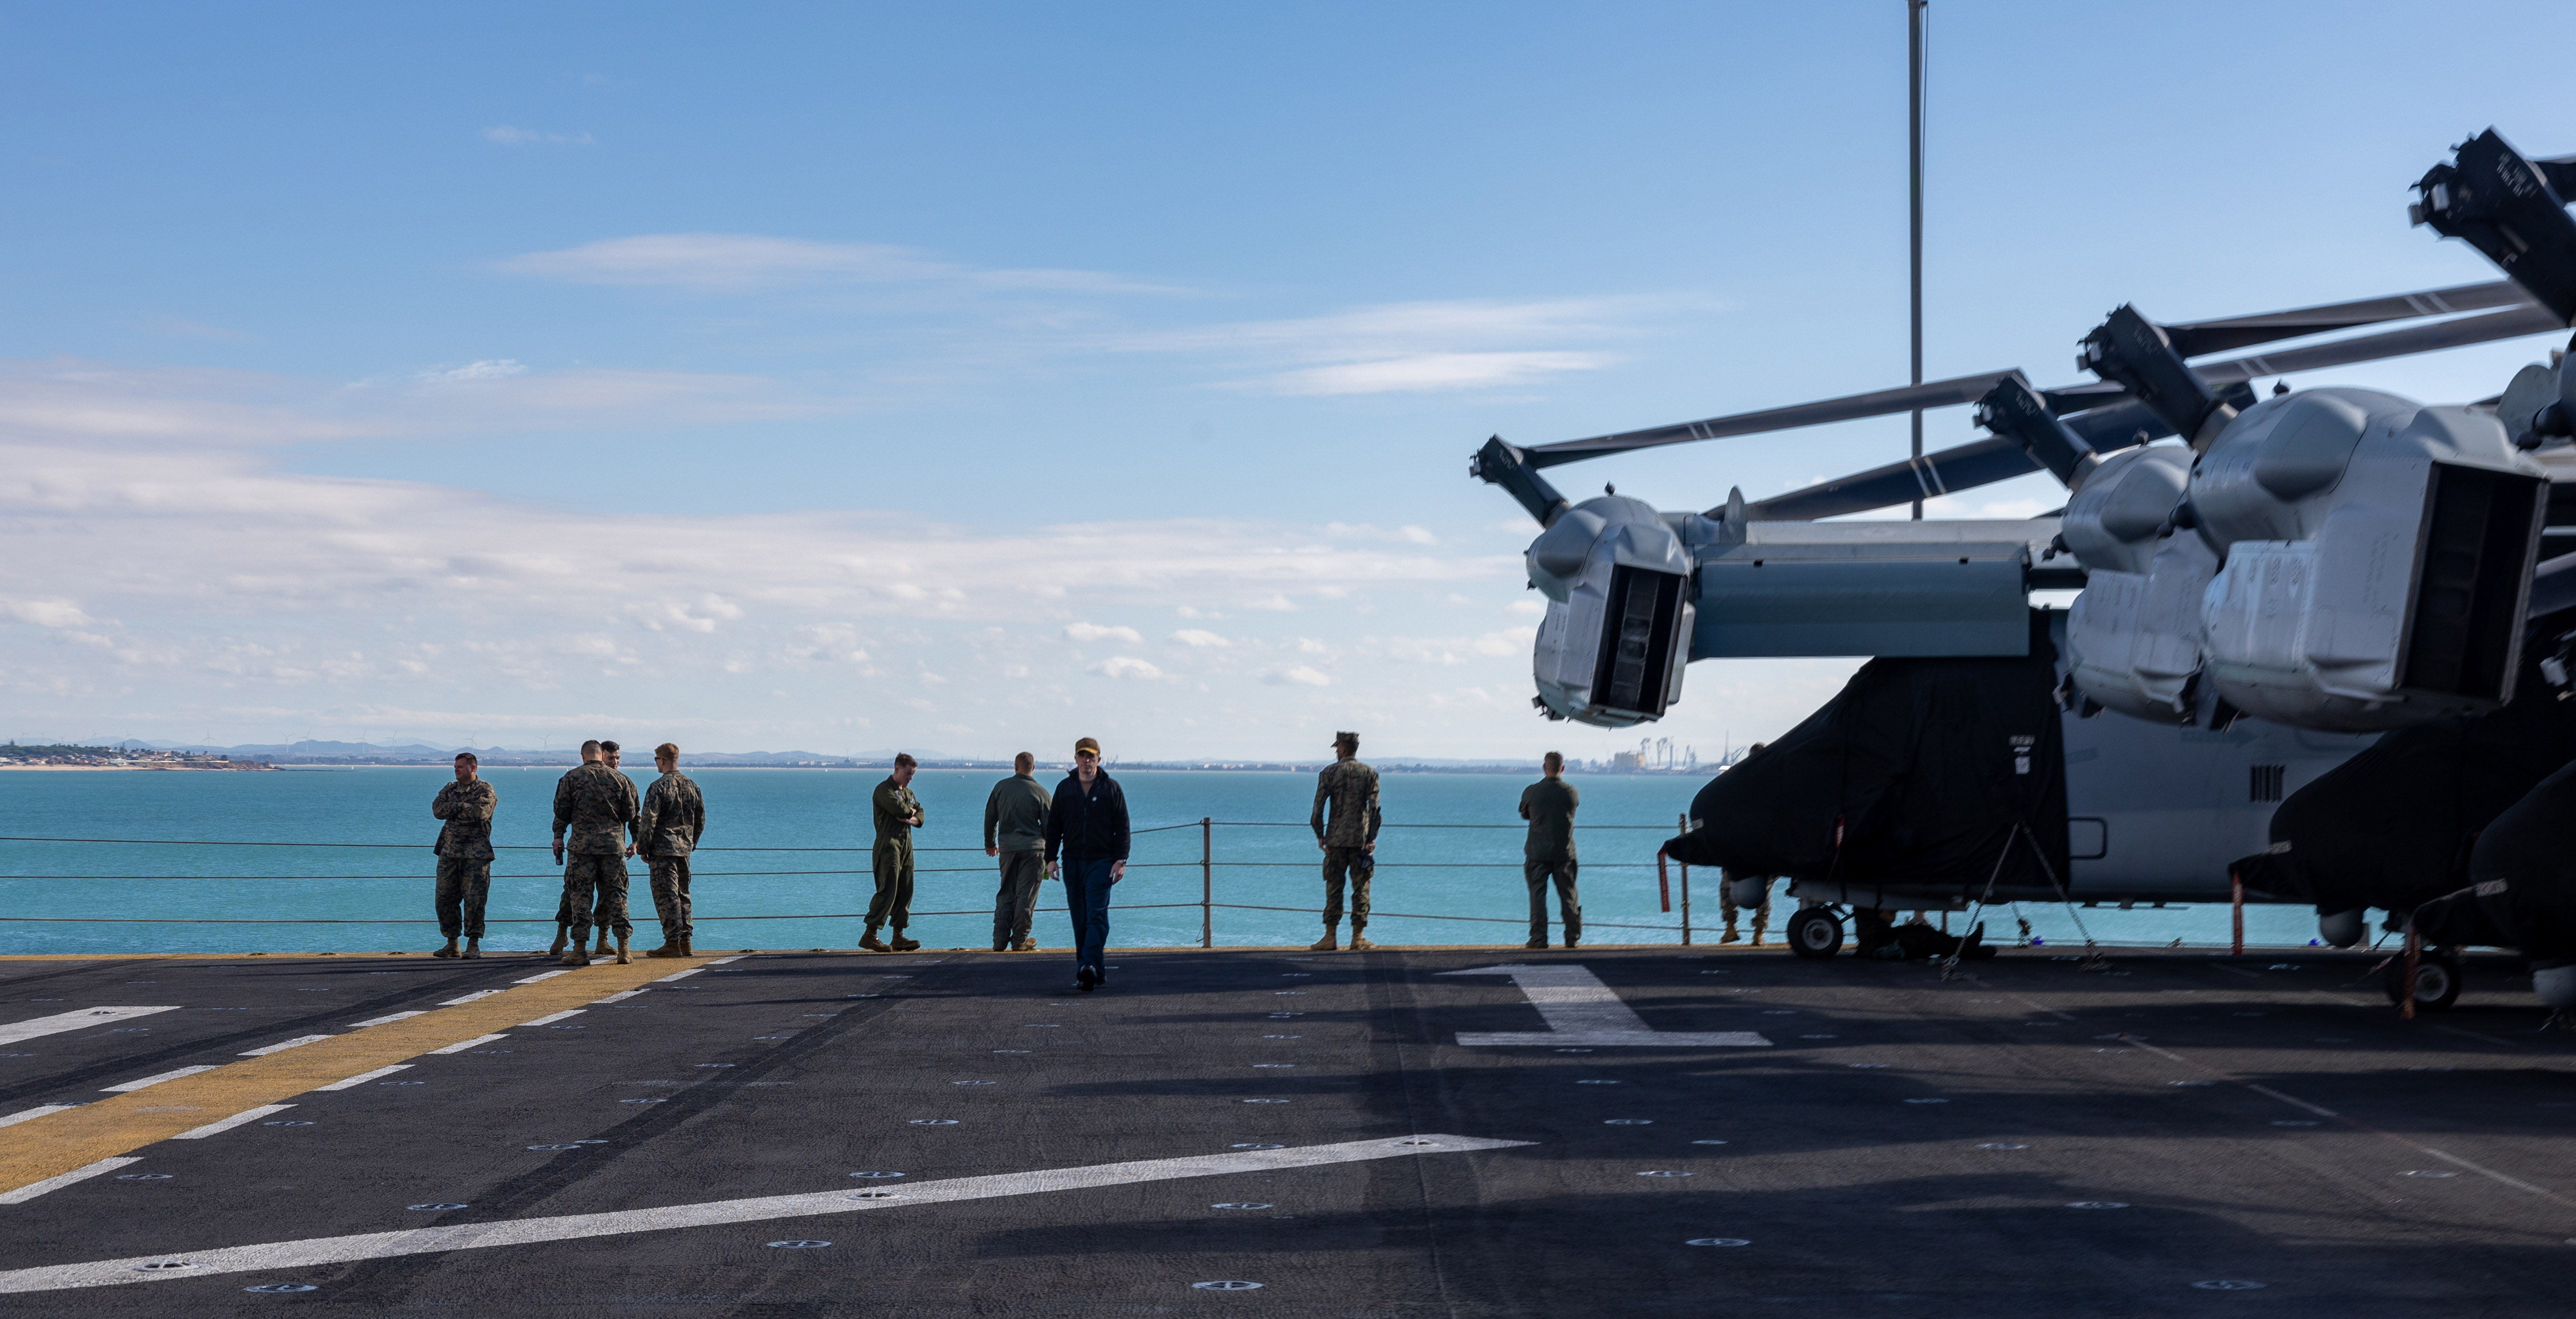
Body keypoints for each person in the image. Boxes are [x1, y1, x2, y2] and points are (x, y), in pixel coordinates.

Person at [1044, 737, 1129, 991]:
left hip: (1102, 862)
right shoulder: (1064, 788)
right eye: (1082, 756)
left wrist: (1121, 860)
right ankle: (1093, 971)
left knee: (1097, 916)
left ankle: (1088, 965)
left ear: (1099, 760)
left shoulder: (1111, 788)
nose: (1087, 760)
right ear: (1076, 759)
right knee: (1080, 918)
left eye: (1091, 756)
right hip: (1071, 862)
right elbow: (1054, 826)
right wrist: (1050, 859)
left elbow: (1122, 827)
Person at [551, 738, 639, 967]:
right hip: (613, 847)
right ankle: (624, 950)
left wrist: (558, 836)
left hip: (582, 849)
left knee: (580, 897)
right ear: (602, 755)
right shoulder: (622, 780)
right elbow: (630, 814)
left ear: (583, 756)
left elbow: (561, 812)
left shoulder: (570, 778)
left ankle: (580, 950)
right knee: (617, 896)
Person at [1309, 730, 1381, 951]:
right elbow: (1375, 809)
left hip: (1335, 839)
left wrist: (1320, 835)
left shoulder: (1329, 773)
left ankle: (1330, 937)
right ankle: (1358, 938)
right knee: (1361, 888)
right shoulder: (1369, 773)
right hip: (1360, 840)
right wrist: (1371, 839)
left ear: (1342, 749)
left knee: (1334, 887)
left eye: (1337, 749)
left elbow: (1318, 809)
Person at [637, 742, 706, 959]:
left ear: (663, 760)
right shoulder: (692, 786)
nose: (656, 763)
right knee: (683, 894)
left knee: (666, 896)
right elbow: (701, 820)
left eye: (657, 760)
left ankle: (672, 942)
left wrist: (644, 848)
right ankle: (686, 941)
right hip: (684, 850)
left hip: (663, 851)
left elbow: (648, 821)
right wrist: (690, 843)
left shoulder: (658, 787)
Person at [429, 751, 496, 960]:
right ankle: (452, 944)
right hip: (449, 852)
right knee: (444, 899)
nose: (456, 770)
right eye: (455, 767)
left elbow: (480, 814)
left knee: (475, 900)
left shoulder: (485, 790)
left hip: (475, 854)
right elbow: (437, 810)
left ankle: (473, 944)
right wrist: (462, 806)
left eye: (460, 767)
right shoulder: (450, 789)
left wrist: (456, 810)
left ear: (473, 768)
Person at [984, 751, 1052, 952]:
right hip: (1034, 850)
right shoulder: (1041, 792)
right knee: (1026, 895)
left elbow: (990, 819)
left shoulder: (1000, 788)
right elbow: (1051, 828)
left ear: (1015, 767)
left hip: (1007, 849)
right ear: (1033, 768)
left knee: (1006, 893)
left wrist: (990, 843)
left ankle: (999, 940)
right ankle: (1020, 940)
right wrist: (1051, 855)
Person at [1519, 750, 1581, 950]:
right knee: (1568, 894)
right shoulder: (1572, 792)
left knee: (1538, 895)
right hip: (1565, 852)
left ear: (1544, 768)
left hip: (1538, 852)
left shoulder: (1532, 791)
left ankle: (1539, 939)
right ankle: (1572, 937)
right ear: (1562, 769)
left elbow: (1525, 813)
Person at [863, 753, 925, 953]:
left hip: (906, 845)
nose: (910, 778)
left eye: (913, 774)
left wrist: (911, 818)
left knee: (906, 890)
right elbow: (901, 810)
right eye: (908, 773)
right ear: (897, 770)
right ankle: (870, 934)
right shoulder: (883, 790)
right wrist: (910, 814)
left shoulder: (908, 793)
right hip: (888, 845)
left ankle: (898, 936)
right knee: (888, 890)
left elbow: (920, 814)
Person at [1721, 744, 1774, 945]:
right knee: (1735, 885)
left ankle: (1748, 931)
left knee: (1760, 887)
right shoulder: (1768, 781)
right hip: (1753, 844)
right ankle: (1741, 930)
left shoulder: (1742, 780)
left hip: (1752, 844)